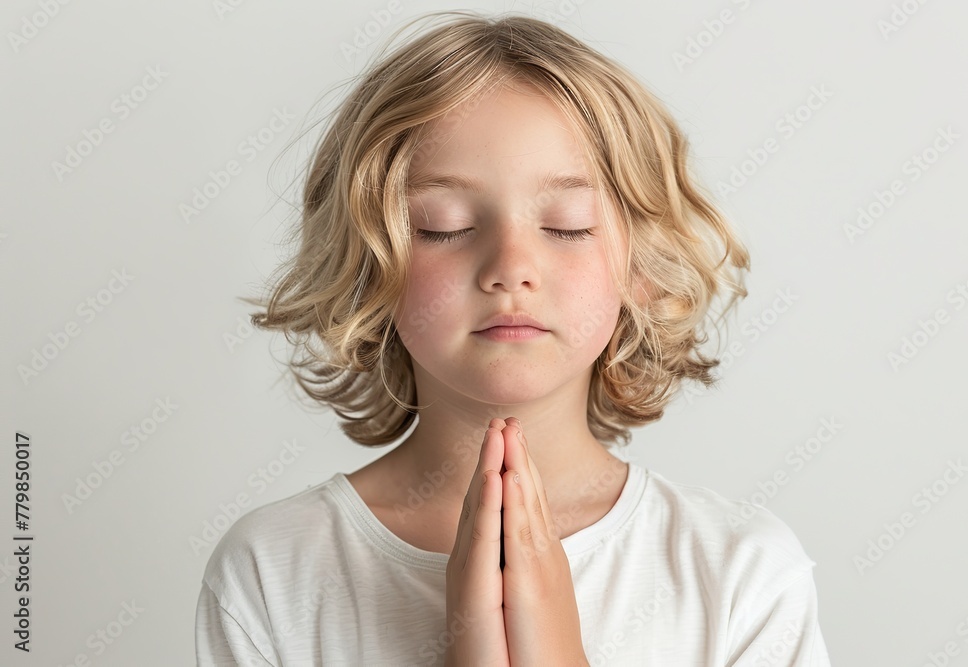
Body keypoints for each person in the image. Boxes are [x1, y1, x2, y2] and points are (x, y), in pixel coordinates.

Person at [194, 10, 831, 666]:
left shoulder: (740, 575)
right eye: (443, 225)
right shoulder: (273, 573)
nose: (510, 268)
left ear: (641, 267)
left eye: (566, 224)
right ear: (369, 265)